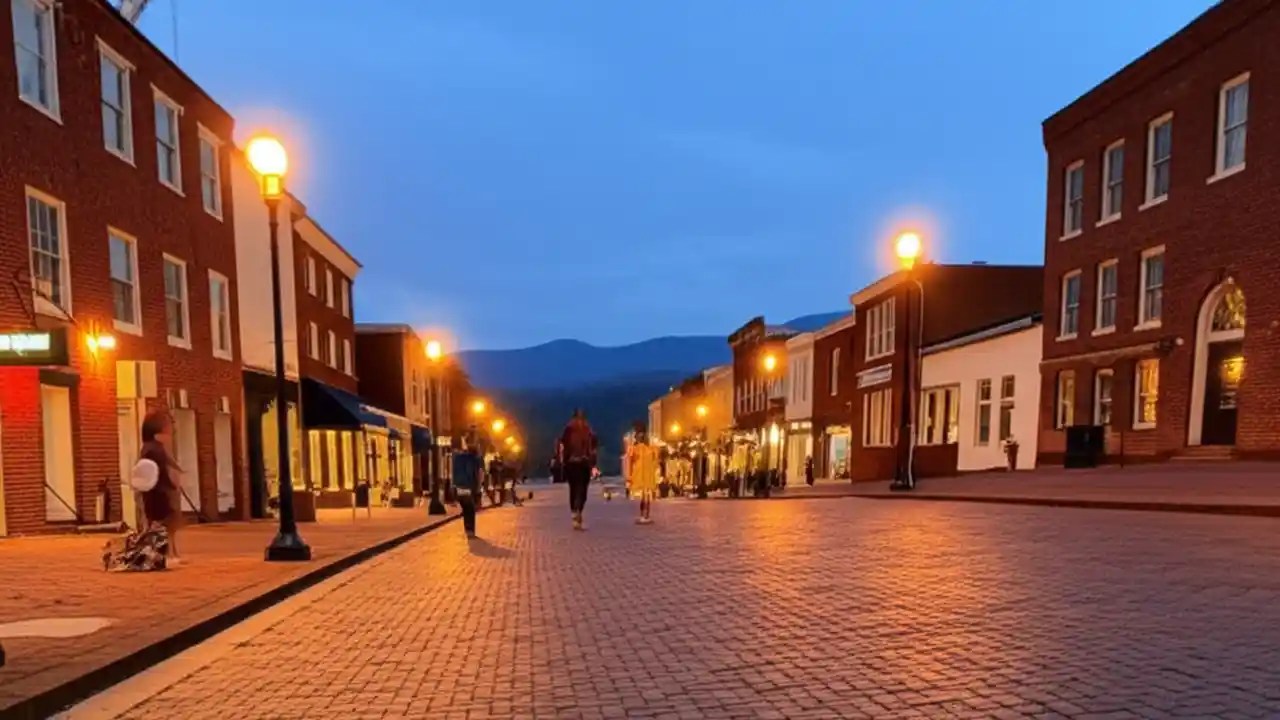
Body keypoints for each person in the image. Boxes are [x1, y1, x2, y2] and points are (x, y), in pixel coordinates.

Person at [139, 411, 184, 564]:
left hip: (156, 493)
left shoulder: (150, 448)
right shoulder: (155, 450)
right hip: (160, 494)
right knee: (164, 524)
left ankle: (170, 552)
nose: (171, 433)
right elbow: (163, 473)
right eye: (168, 429)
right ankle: (165, 554)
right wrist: (173, 483)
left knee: (165, 525)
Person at [560, 408, 597, 530]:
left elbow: (594, 446)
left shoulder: (587, 431)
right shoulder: (570, 430)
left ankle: (577, 511)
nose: (580, 420)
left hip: (581, 463)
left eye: (582, 418)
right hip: (575, 463)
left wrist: (592, 460)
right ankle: (576, 512)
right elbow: (563, 445)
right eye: (578, 418)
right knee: (577, 488)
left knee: (580, 489)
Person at [452, 431, 482, 538]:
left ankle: (467, 529)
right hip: (470, 486)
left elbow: (453, 472)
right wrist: (478, 489)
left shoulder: (457, 458)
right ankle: (471, 531)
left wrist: (454, 485)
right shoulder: (475, 460)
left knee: (465, 509)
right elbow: (478, 475)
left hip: (459, 486)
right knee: (471, 509)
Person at [628, 423, 659, 524]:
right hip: (641, 473)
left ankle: (645, 515)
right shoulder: (637, 448)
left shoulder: (648, 447)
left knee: (646, 495)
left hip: (646, 473)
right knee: (644, 495)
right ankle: (644, 515)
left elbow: (655, 459)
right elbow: (631, 460)